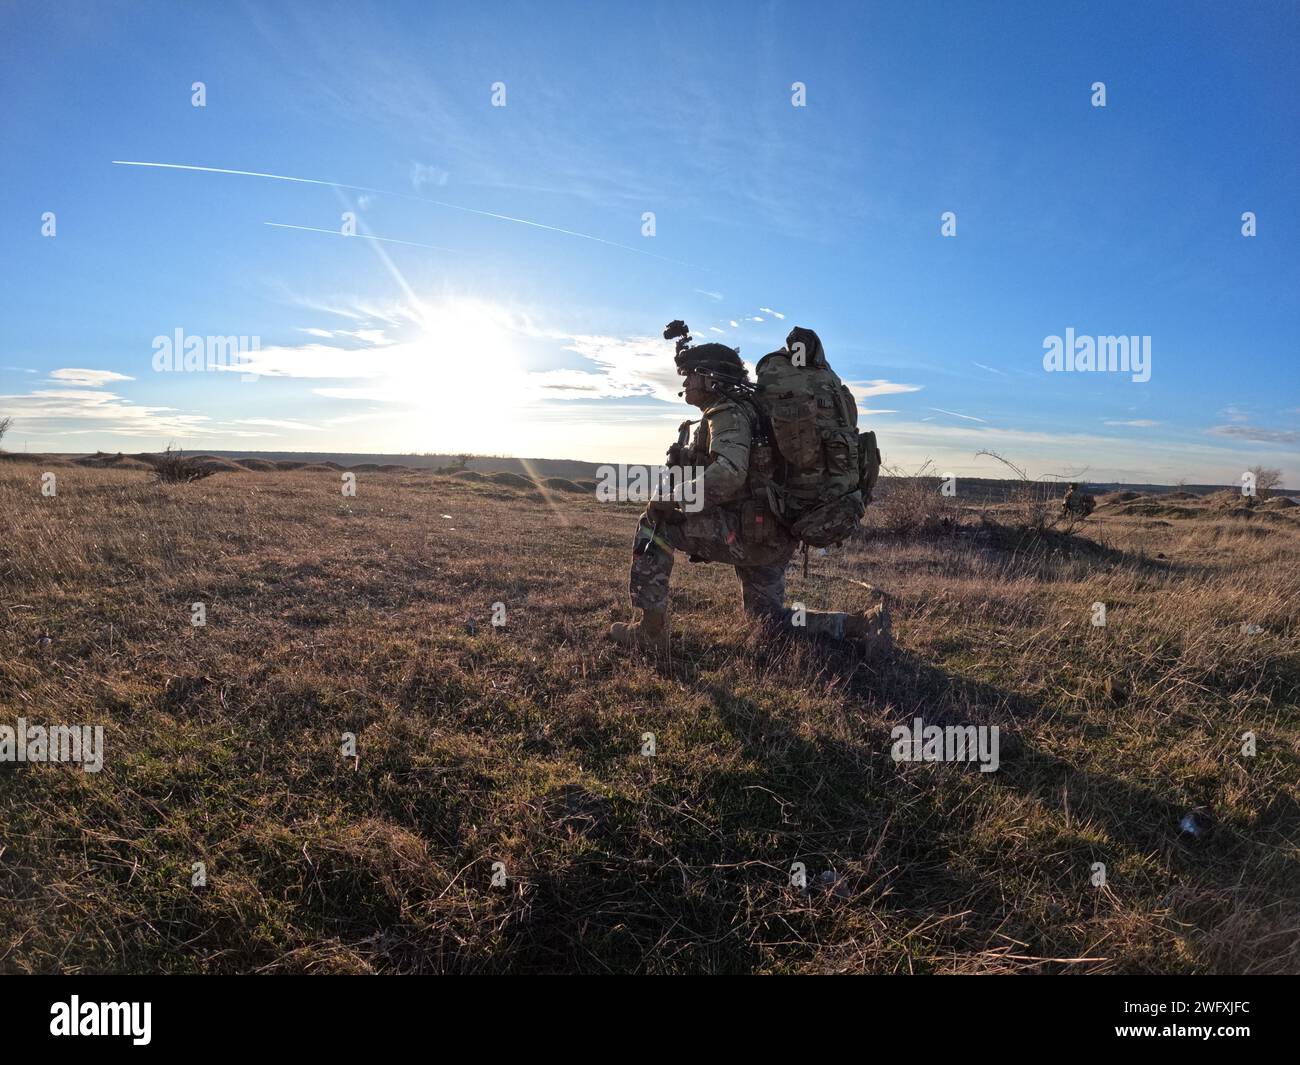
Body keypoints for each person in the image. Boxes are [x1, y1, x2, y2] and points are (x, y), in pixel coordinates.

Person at [607, 339, 891, 655]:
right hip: (776, 534)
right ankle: (860, 625)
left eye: (689, 375)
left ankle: (650, 630)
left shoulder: (726, 411)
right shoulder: (755, 409)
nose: (685, 383)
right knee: (767, 621)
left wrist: (673, 500)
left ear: (710, 376)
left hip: (746, 533)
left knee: (653, 524)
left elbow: (729, 473)